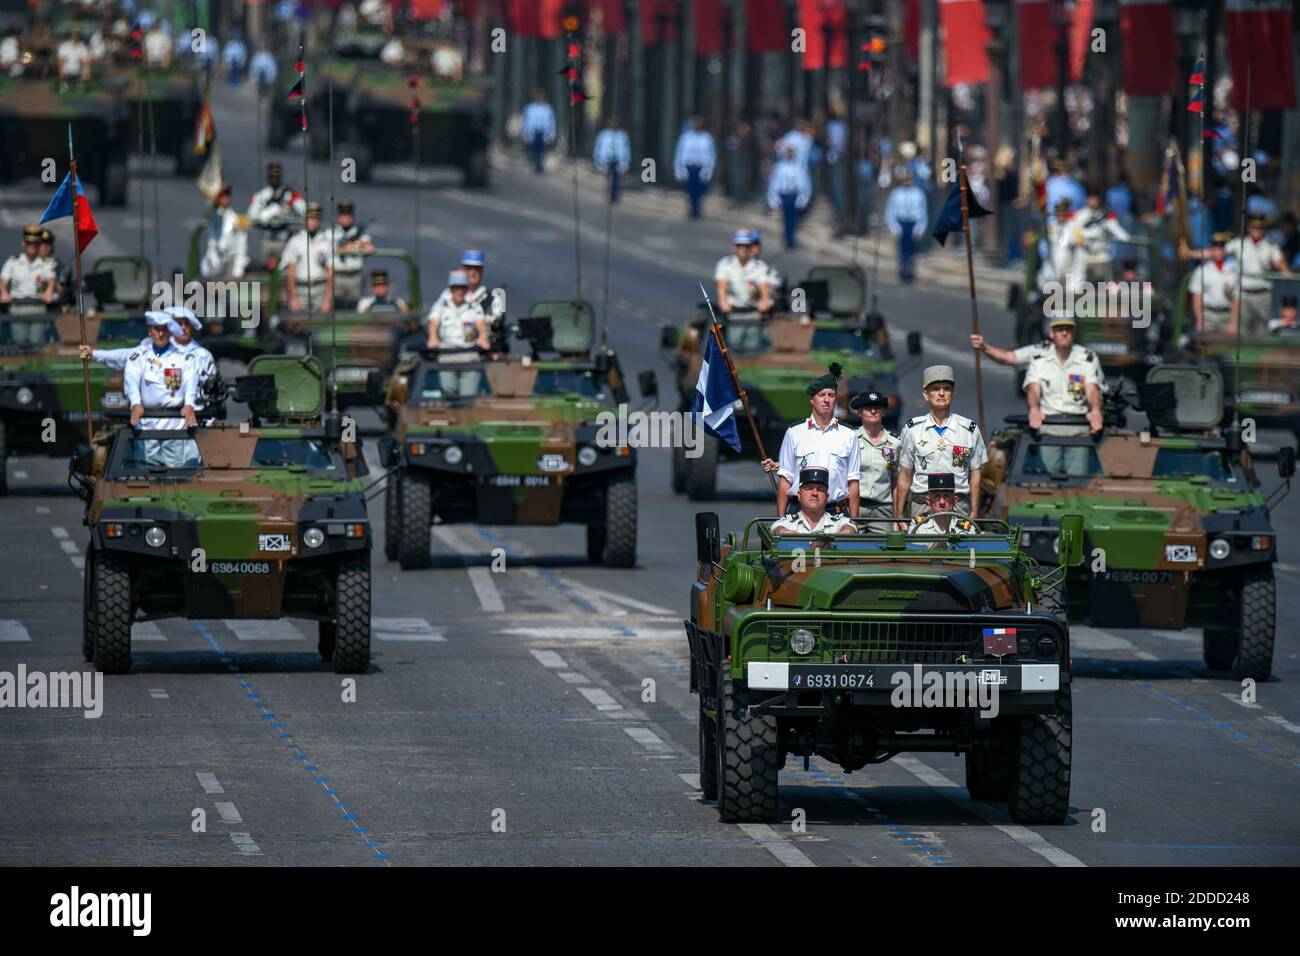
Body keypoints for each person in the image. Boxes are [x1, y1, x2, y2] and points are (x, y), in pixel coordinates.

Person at [760, 363, 861, 518]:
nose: (827, 400)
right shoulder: (795, 433)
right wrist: (780, 520)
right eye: (822, 395)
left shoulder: (848, 435)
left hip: (836, 513)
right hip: (799, 511)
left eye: (831, 395)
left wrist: (854, 522)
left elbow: (853, 482)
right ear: (812, 400)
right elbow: (785, 479)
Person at [894, 365, 987, 520]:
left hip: (958, 503)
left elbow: (975, 473)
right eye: (936, 389)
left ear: (953, 393)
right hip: (923, 503)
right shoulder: (912, 430)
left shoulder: (969, 430)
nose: (941, 393)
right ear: (926, 394)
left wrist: (975, 511)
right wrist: (899, 516)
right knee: (921, 544)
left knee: (960, 544)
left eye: (946, 388)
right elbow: (904, 474)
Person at [1020, 316, 1104, 473]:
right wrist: (1033, 409)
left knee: (1077, 481)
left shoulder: (1087, 358)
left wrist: (1096, 410)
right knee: (1047, 479)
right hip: (1049, 428)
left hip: (1077, 429)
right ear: (1052, 333)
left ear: (1074, 332)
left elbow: (1092, 389)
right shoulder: (1040, 360)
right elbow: (1033, 389)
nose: (1064, 333)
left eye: (1068, 329)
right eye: (1059, 329)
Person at [124, 312, 196, 465]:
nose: (161, 333)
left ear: (169, 331)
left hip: (174, 425)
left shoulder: (182, 357)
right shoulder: (139, 355)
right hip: (147, 425)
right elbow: (131, 379)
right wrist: (135, 403)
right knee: (146, 473)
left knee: (176, 474)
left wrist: (189, 404)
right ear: (150, 331)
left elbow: (190, 381)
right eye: (157, 329)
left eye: (164, 329)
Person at [426, 270, 489, 397]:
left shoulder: (473, 306)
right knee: (449, 396)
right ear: (450, 289)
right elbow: (434, 322)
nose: (459, 291)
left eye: (463, 288)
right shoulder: (441, 305)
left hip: (468, 356)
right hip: (447, 355)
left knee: (468, 397)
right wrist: (433, 337)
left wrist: (482, 336)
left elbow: (480, 322)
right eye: (456, 288)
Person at [850, 390, 900, 528]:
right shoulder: (850, 440)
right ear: (859, 412)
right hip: (854, 508)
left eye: (877, 408)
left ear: (883, 412)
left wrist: (897, 517)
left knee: (883, 548)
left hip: (883, 510)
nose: (873, 411)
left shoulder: (895, 443)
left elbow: (896, 482)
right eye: (867, 408)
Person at [1, 226, 57, 344]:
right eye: (29, 243)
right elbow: (3, 280)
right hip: (18, 307)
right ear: (23, 244)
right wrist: (4, 292)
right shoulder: (14, 261)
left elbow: (51, 277)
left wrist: (49, 291)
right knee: (20, 341)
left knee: (36, 342)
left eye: (35, 243)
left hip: (37, 307)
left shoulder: (45, 263)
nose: (32, 246)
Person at [769, 467, 856, 535]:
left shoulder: (838, 521)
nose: (815, 493)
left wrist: (830, 541)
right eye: (809, 488)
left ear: (827, 497)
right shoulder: (788, 522)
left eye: (820, 489)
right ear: (799, 495)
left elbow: (850, 529)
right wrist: (796, 538)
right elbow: (777, 529)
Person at [247, 162, 305, 262]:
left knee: (282, 270)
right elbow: (251, 215)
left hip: (282, 240)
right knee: (264, 269)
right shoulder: (261, 195)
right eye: (271, 176)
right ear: (268, 177)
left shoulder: (288, 193)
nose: (274, 179)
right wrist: (265, 211)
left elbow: (303, 210)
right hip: (265, 239)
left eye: (276, 176)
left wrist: (287, 211)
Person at [281, 202, 333, 313]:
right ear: (305, 220)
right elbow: (291, 271)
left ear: (319, 221)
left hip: (320, 287)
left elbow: (330, 272)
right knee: (300, 324)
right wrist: (293, 297)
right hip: (301, 289)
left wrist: (327, 299)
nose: (312, 222)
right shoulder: (295, 241)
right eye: (310, 218)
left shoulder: (326, 242)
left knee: (322, 323)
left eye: (315, 219)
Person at [1187, 233, 1240, 334]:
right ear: (1211, 250)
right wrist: (1200, 320)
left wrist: (1234, 322)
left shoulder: (1233, 269)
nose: (1218, 252)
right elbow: (1197, 298)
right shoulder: (1202, 270)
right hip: (1208, 315)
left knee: (1227, 346)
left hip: (1226, 314)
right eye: (1216, 248)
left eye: (1221, 248)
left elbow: (1236, 298)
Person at [884, 169, 927, 283]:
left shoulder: (918, 193)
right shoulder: (896, 193)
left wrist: (921, 227)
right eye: (905, 179)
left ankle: (911, 272)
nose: (907, 182)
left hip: (913, 223)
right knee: (902, 250)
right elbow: (890, 211)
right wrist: (893, 226)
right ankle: (902, 272)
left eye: (909, 179)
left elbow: (923, 212)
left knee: (912, 250)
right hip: (901, 222)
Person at [1076, 191, 1130, 282]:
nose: (1093, 201)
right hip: (1084, 253)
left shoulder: (1105, 215)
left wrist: (1121, 235)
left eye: (1095, 199)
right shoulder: (1079, 215)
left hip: (1102, 253)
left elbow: (1122, 235)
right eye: (1090, 198)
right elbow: (1074, 232)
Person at [713, 230, 771, 315]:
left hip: (753, 310)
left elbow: (764, 285)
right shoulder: (725, 264)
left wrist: (764, 301)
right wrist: (723, 300)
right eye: (739, 245)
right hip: (731, 310)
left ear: (751, 248)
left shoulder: (759, 266)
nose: (743, 249)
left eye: (746, 246)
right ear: (734, 247)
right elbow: (721, 284)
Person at [200, 183, 250, 279]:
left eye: (227, 195)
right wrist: (213, 197)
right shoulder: (212, 216)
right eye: (222, 196)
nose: (225, 198)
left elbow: (241, 249)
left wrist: (237, 274)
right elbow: (207, 209)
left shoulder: (236, 220)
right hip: (212, 263)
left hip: (229, 265)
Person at [330, 200, 373, 308]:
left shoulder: (359, 232)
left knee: (355, 306)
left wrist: (353, 245)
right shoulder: (331, 232)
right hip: (337, 276)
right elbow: (332, 248)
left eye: (348, 215)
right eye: (343, 215)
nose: (346, 218)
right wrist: (345, 248)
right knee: (336, 307)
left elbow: (369, 247)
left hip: (355, 276)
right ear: (339, 217)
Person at [767, 145, 811, 249]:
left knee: (793, 219)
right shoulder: (780, 167)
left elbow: (804, 183)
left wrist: (804, 196)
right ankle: (787, 238)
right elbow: (774, 182)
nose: (790, 155)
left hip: (793, 195)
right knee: (785, 218)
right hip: (783, 195)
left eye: (792, 153)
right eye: (788, 153)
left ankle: (790, 239)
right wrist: (772, 196)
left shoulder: (799, 167)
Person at [674, 116, 716, 219]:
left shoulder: (706, 138)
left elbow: (711, 154)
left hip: (701, 167)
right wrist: (678, 168)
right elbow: (679, 153)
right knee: (690, 190)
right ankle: (692, 209)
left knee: (700, 191)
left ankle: (697, 209)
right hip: (689, 166)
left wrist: (709, 169)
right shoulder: (686, 137)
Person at [908, 473, 976, 536]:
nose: (942, 502)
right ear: (929, 501)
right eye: (937, 496)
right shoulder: (918, 525)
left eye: (946, 496)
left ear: (955, 500)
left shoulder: (966, 527)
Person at [592, 117, 631, 204]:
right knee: (607, 178)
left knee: (616, 179)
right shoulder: (604, 134)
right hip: (606, 159)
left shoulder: (622, 135)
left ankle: (615, 196)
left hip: (618, 160)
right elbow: (598, 147)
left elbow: (626, 150)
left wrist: (625, 163)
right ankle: (608, 194)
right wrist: (597, 161)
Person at [521, 88, 556, 175]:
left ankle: (540, 166)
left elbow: (552, 122)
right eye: (539, 96)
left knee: (542, 150)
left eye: (542, 97)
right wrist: (526, 133)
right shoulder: (530, 108)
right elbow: (526, 121)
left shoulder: (548, 108)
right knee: (535, 150)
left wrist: (551, 133)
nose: (540, 98)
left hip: (544, 132)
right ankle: (536, 165)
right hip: (533, 132)